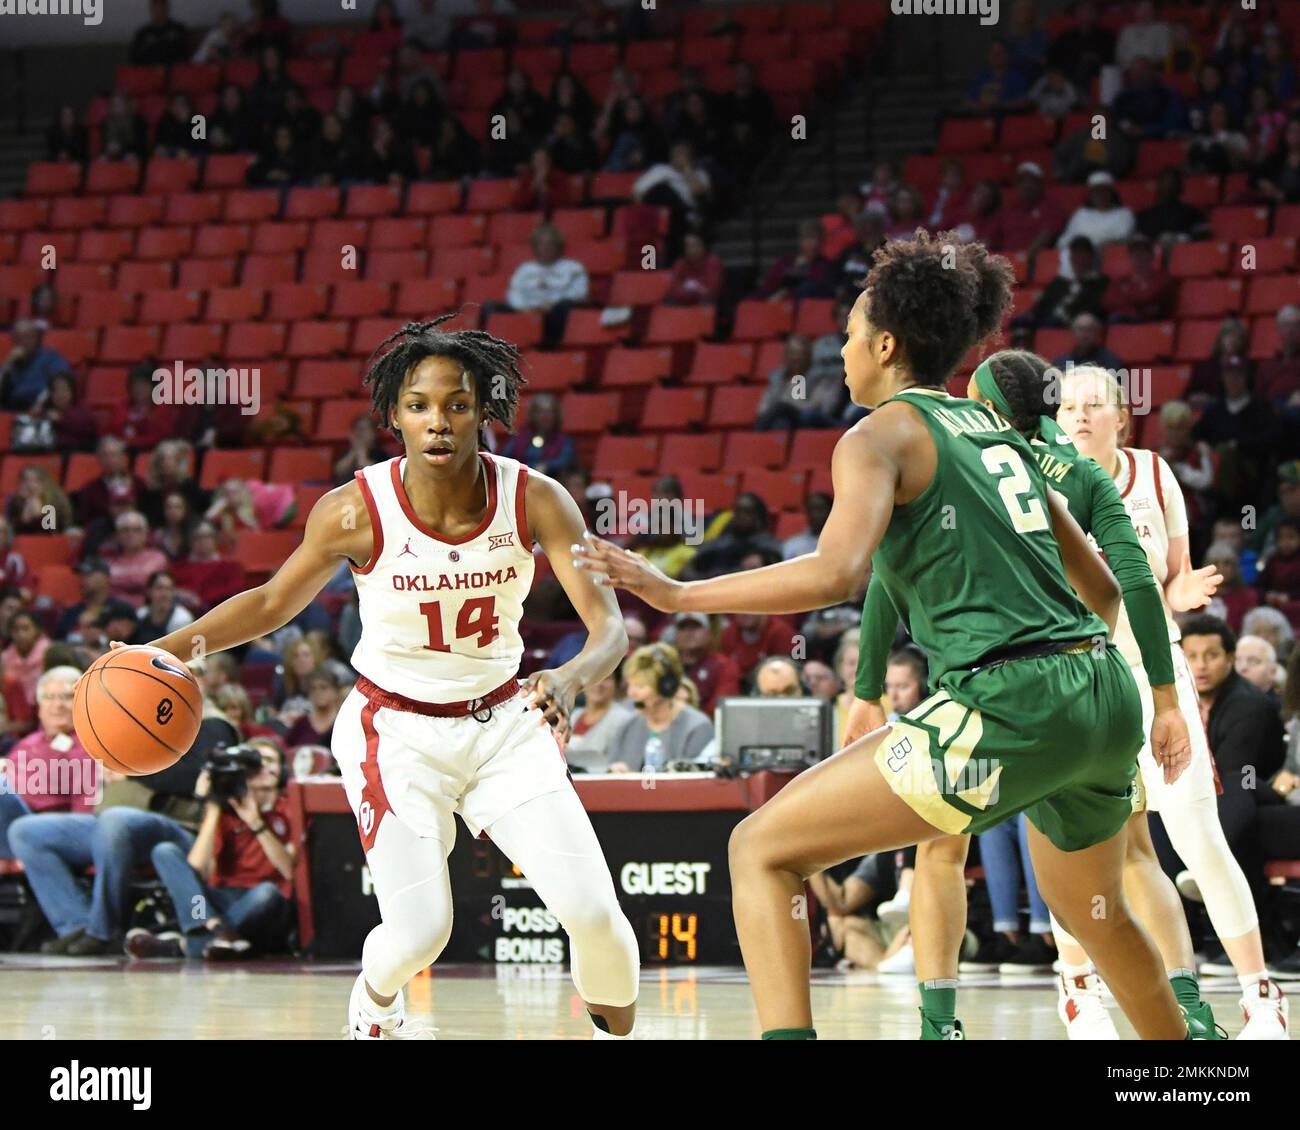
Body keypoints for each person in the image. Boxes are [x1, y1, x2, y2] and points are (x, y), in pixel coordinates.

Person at [576, 230, 1198, 1041]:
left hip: (1010, 702)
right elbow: (1106, 593)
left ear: (886, 343)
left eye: (847, 334)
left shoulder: (876, 437)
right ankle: (1194, 1081)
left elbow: (835, 574)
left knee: (761, 849)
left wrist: (677, 588)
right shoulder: (993, 430)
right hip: (1101, 694)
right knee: (1099, 914)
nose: (838, 349)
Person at [138, 315, 639, 1040]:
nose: (438, 422)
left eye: (457, 405)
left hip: (504, 723)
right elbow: (273, 603)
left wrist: (569, 678)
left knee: (598, 919)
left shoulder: (536, 498)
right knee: (420, 934)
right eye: (419, 406)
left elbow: (611, 630)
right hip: (394, 731)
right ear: (394, 416)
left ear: (484, 410)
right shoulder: (353, 510)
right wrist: (162, 650)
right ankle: (374, 1004)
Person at [1052, 366, 1283, 1035]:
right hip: (1071, 680)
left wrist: (1178, 596)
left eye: (1095, 405)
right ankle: (1079, 991)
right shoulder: (1038, 483)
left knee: (1197, 836)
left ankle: (1261, 998)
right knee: (1078, 848)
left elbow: (1178, 578)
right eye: (1068, 406)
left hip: (1153, 671)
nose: (1080, 416)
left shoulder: (1154, 475)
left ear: (1123, 416)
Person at [125, 737, 295, 961]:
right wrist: (213, 808)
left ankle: (189, 945)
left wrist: (255, 822)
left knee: (267, 893)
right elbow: (197, 869)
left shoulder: (290, 807)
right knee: (165, 852)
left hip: (262, 903)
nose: (261, 767)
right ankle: (213, 933)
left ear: (281, 770)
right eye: (254, 761)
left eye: (268, 760)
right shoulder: (224, 808)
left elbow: (289, 871)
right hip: (215, 901)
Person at [0, 668, 95, 857]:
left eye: (67, 697)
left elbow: (84, 813)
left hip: (48, 828)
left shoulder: (89, 744)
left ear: (82, 703)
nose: (57, 705)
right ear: (40, 707)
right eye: (50, 697)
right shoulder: (26, 744)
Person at [604, 644, 713, 772]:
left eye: (640, 686)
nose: (631, 693)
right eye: (630, 685)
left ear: (666, 687)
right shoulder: (627, 726)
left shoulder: (697, 727)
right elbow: (608, 772)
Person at [501, 225, 588, 348]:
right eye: (541, 244)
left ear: (558, 246)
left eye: (550, 244)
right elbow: (514, 293)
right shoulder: (525, 269)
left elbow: (579, 293)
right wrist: (524, 308)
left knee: (563, 307)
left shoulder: (573, 267)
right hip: (527, 310)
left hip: (555, 311)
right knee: (490, 307)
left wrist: (552, 304)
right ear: (535, 247)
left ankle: (550, 348)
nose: (546, 248)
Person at [1, 320, 69, 413]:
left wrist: (40, 402)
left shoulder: (50, 358)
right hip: (11, 411)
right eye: (17, 337)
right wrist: (6, 366)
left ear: (37, 339)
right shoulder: (10, 363)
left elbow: (62, 383)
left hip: (41, 411)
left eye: (27, 336)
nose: (22, 342)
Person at [498, 393, 575, 476]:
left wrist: (546, 466)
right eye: (540, 412)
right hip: (521, 479)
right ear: (532, 415)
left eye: (550, 412)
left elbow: (566, 461)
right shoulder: (519, 437)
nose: (545, 416)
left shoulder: (564, 440)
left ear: (556, 415)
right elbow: (504, 459)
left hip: (552, 481)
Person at [131, 0, 190, 66]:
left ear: (167, 8)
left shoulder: (179, 30)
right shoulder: (142, 34)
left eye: (162, 7)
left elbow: (186, 56)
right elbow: (133, 59)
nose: (159, 11)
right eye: (156, 7)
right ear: (151, 10)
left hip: (174, 71)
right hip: (149, 72)